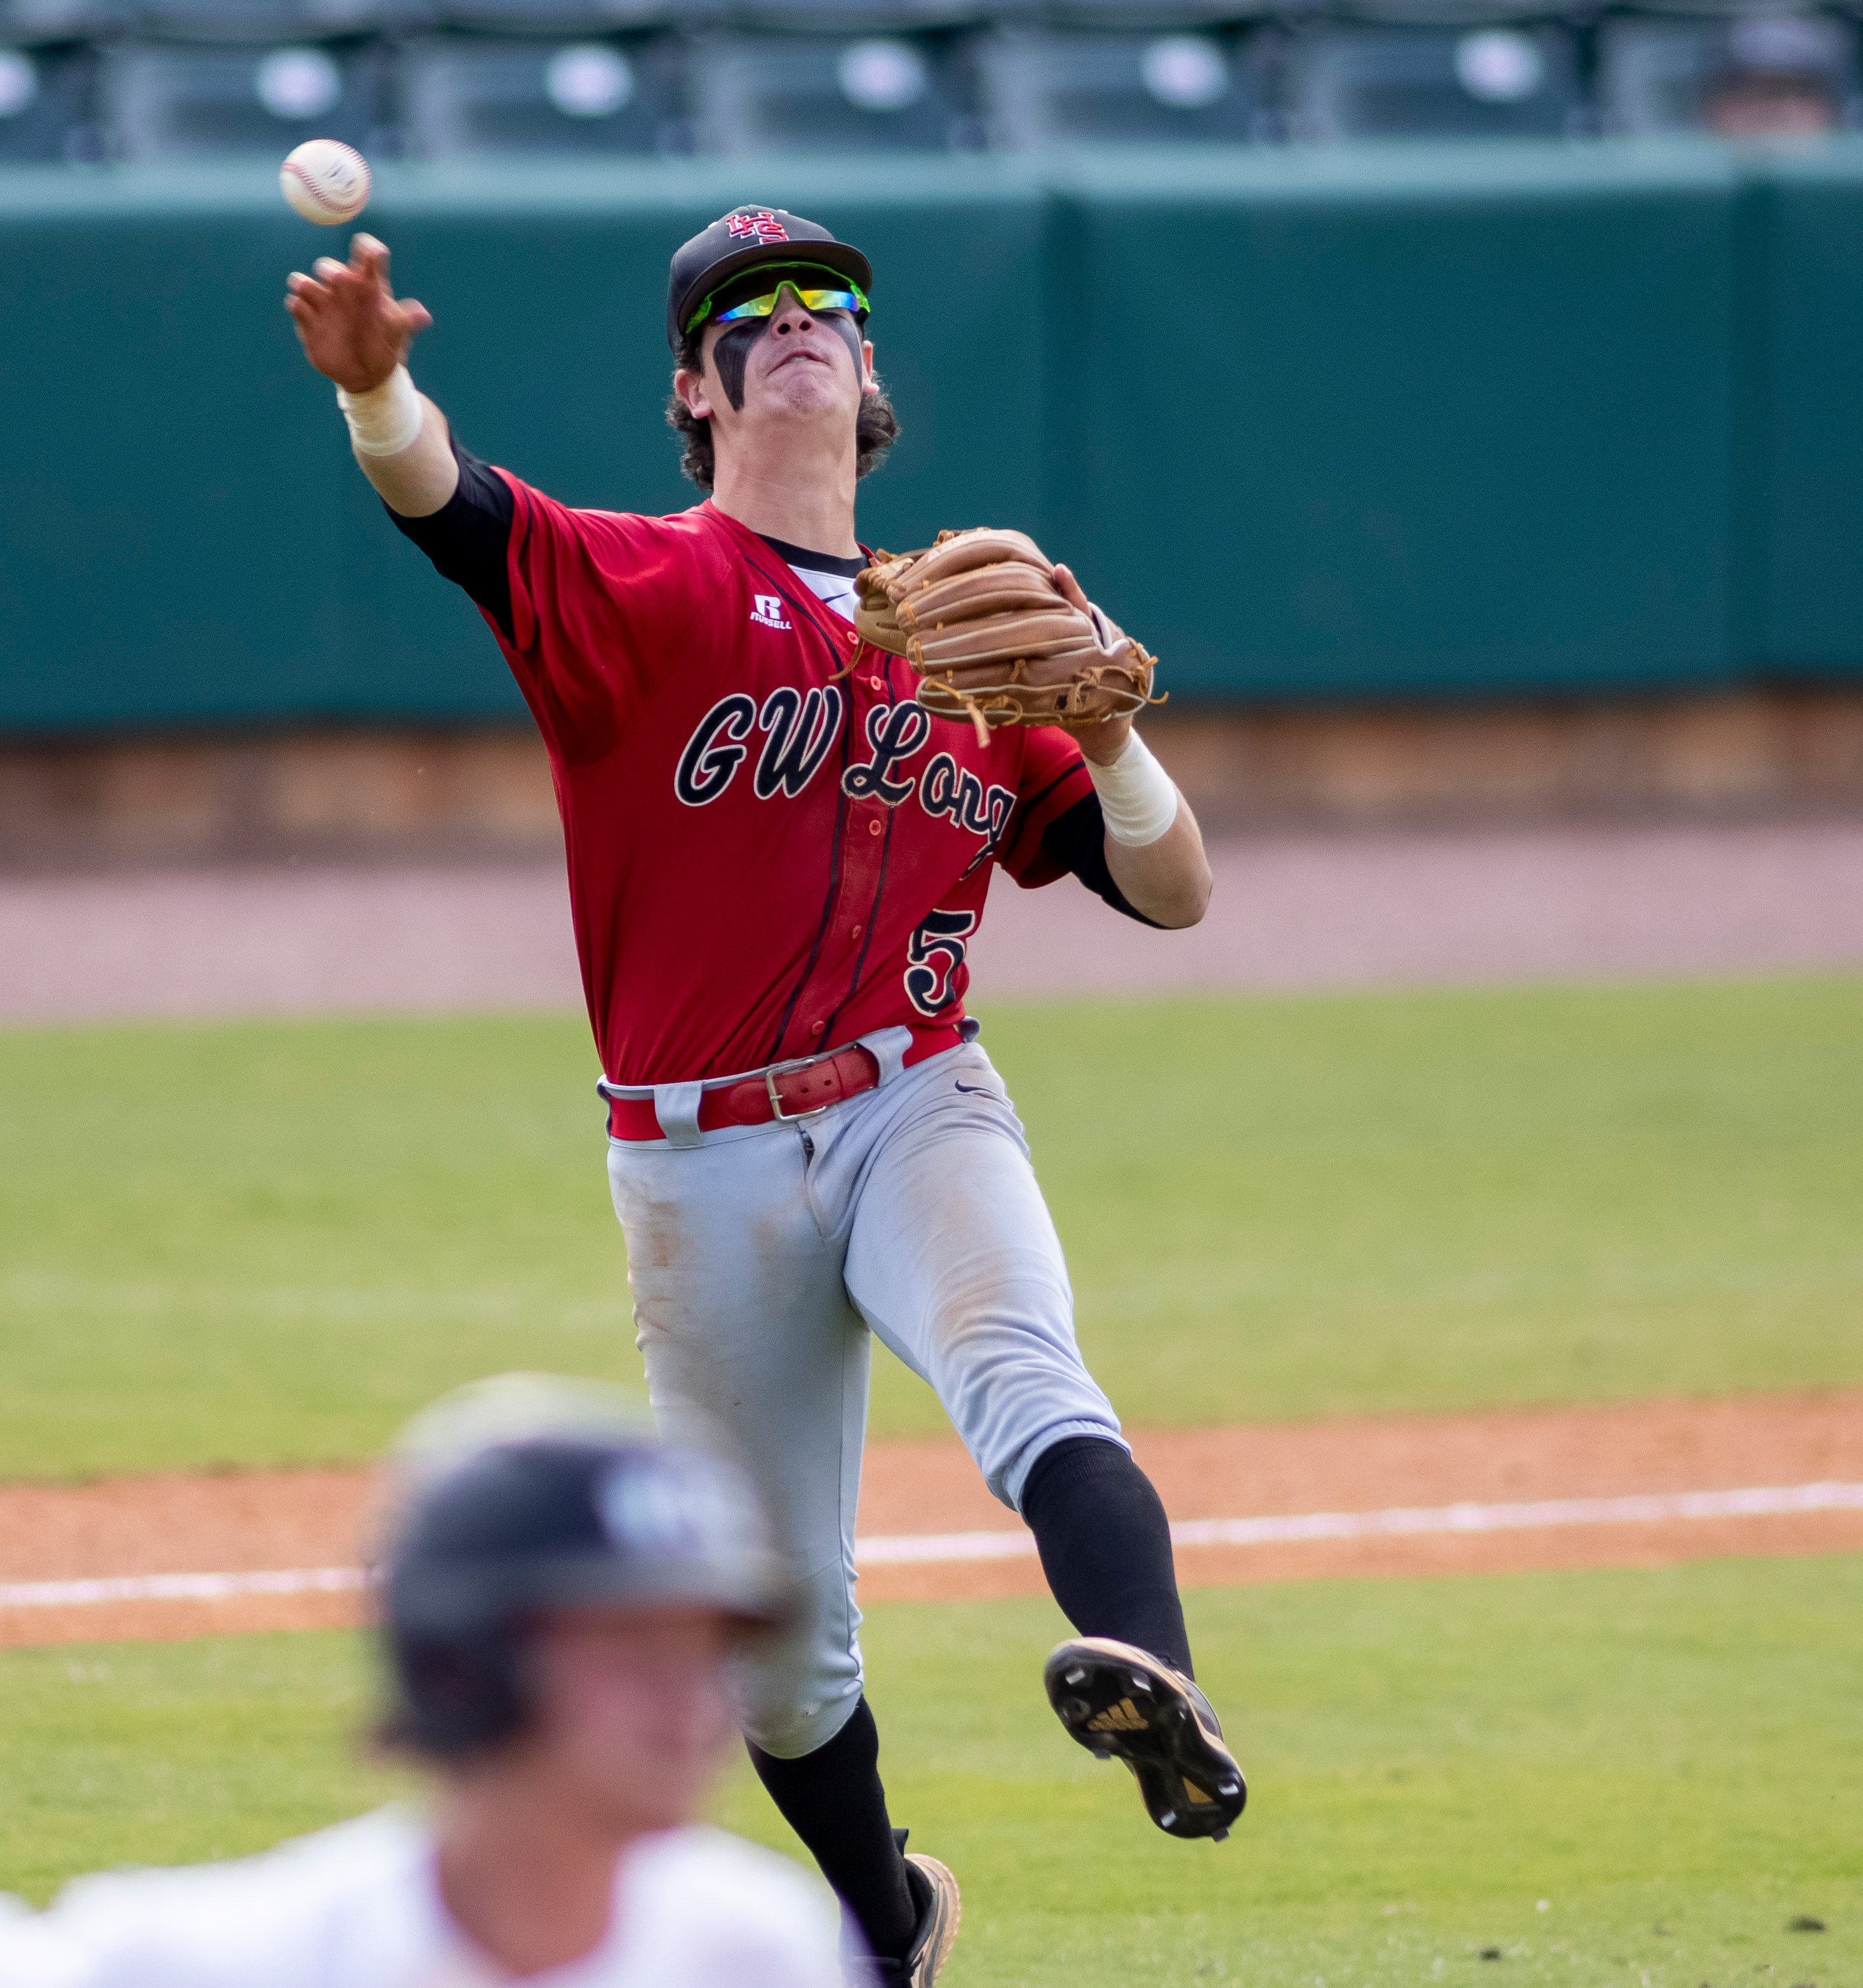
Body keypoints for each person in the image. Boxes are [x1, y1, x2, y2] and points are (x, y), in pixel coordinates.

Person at [282, 204, 1247, 1987]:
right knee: (786, 1653)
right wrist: (373, 393)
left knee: (1023, 1368)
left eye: (828, 301)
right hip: (697, 1163)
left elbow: (1171, 891)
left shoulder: (964, 627)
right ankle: (886, 1927)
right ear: (695, 388)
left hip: (914, 1096)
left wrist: (1111, 734)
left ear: (870, 371)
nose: (795, 315)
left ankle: (1154, 1677)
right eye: (748, 306)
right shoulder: (639, 584)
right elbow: (453, 509)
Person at [0, 1377, 849, 1988]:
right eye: (632, 1653)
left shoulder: (758, 1949)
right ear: (462, 1664)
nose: (692, 1704)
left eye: (706, 1654)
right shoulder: (218, 1961)